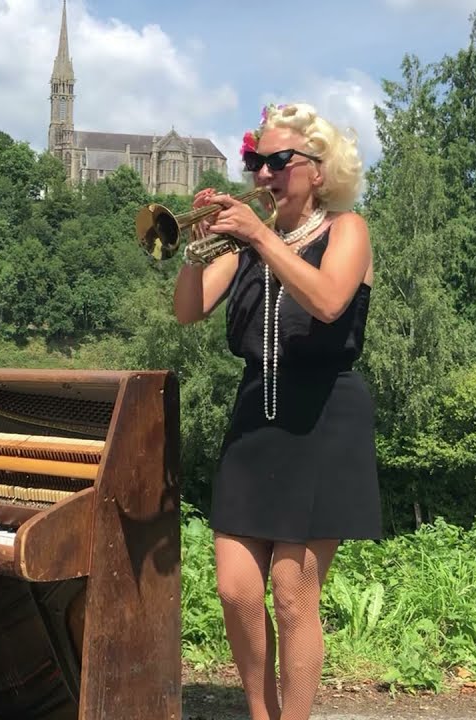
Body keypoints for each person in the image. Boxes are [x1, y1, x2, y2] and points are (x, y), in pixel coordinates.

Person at [172, 103, 380, 720]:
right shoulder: (242, 248)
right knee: (235, 590)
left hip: (323, 421)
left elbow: (327, 301)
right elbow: (187, 312)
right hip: (253, 420)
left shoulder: (348, 230)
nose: (262, 174)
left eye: (277, 162)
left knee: (293, 594)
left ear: (318, 171)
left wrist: (259, 236)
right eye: (255, 161)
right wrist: (193, 247)